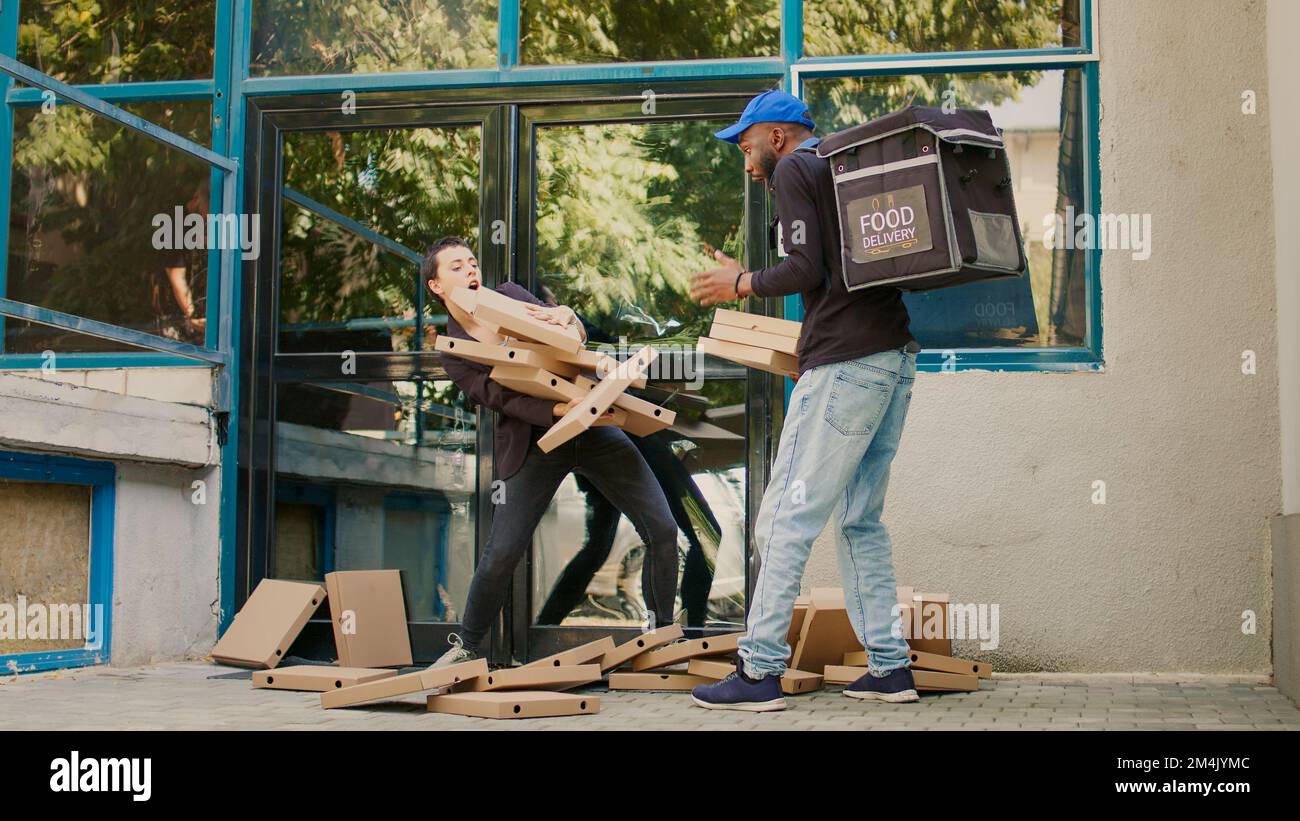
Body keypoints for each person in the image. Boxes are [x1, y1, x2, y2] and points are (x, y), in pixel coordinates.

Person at [687, 89, 922, 711]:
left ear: (777, 134)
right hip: (893, 360)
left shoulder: (795, 167)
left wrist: (738, 283)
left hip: (845, 367)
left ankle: (759, 670)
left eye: (746, 144)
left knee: (783, 518)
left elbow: (805, 270)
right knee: (859, 520)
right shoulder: (835, 169)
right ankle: (891, 667)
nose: (746, 161)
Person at [423, 236, 681, 667]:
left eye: (472, 262)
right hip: (534, 443)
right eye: (456, 266)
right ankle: (467, 646)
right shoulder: (455, 350)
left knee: (662, 527)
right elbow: (496, 398)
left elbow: (568, 336)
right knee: (502, 551)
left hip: (592, 426)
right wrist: (557, 407)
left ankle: (662, 634)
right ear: (436, 286)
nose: (470, 269)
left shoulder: (506, 297)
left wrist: (570, 319)